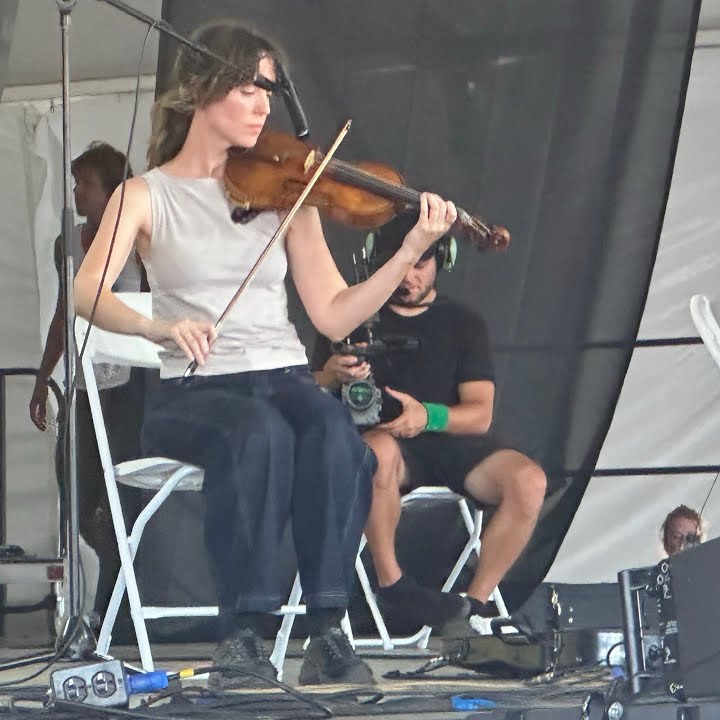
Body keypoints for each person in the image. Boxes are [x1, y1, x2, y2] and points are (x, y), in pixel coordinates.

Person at [71, 20, 459, 687]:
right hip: (194, 393)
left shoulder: (288, 192)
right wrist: (160, 328)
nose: (263, 107)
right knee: (259, 434)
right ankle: (243, 635)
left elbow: (333, 310)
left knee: (338, 435)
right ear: (203, 89)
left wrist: (405, 252)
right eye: (251, 89)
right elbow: (87, 293)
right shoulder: (147, 195)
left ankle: (328, 629)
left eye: (269, 95)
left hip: (281, 378)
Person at [313, 213, 546, 636]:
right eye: (400, 265)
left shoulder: (463, 323)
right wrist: (330, 374)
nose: (409, 276)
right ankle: (391, 584)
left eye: (420, 264)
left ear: (443, 260)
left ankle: (471, 609)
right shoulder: (347, 312)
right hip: (382, 443)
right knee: (377, 453)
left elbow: (480, 414)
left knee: (529, 482)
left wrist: (428, 416)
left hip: (450, 442)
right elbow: (301, 390)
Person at [29, 142, 146, 620]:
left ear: (113, 192)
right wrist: (43, 377)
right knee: (77, 496)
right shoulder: (69, 242)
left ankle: (115, 604)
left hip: (132, 388)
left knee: (120, 494)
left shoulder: (143, 242)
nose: (77, 191)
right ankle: (116, 580)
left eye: (86, 184)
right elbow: (64, 312)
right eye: (76, 182)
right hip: (85, 384)